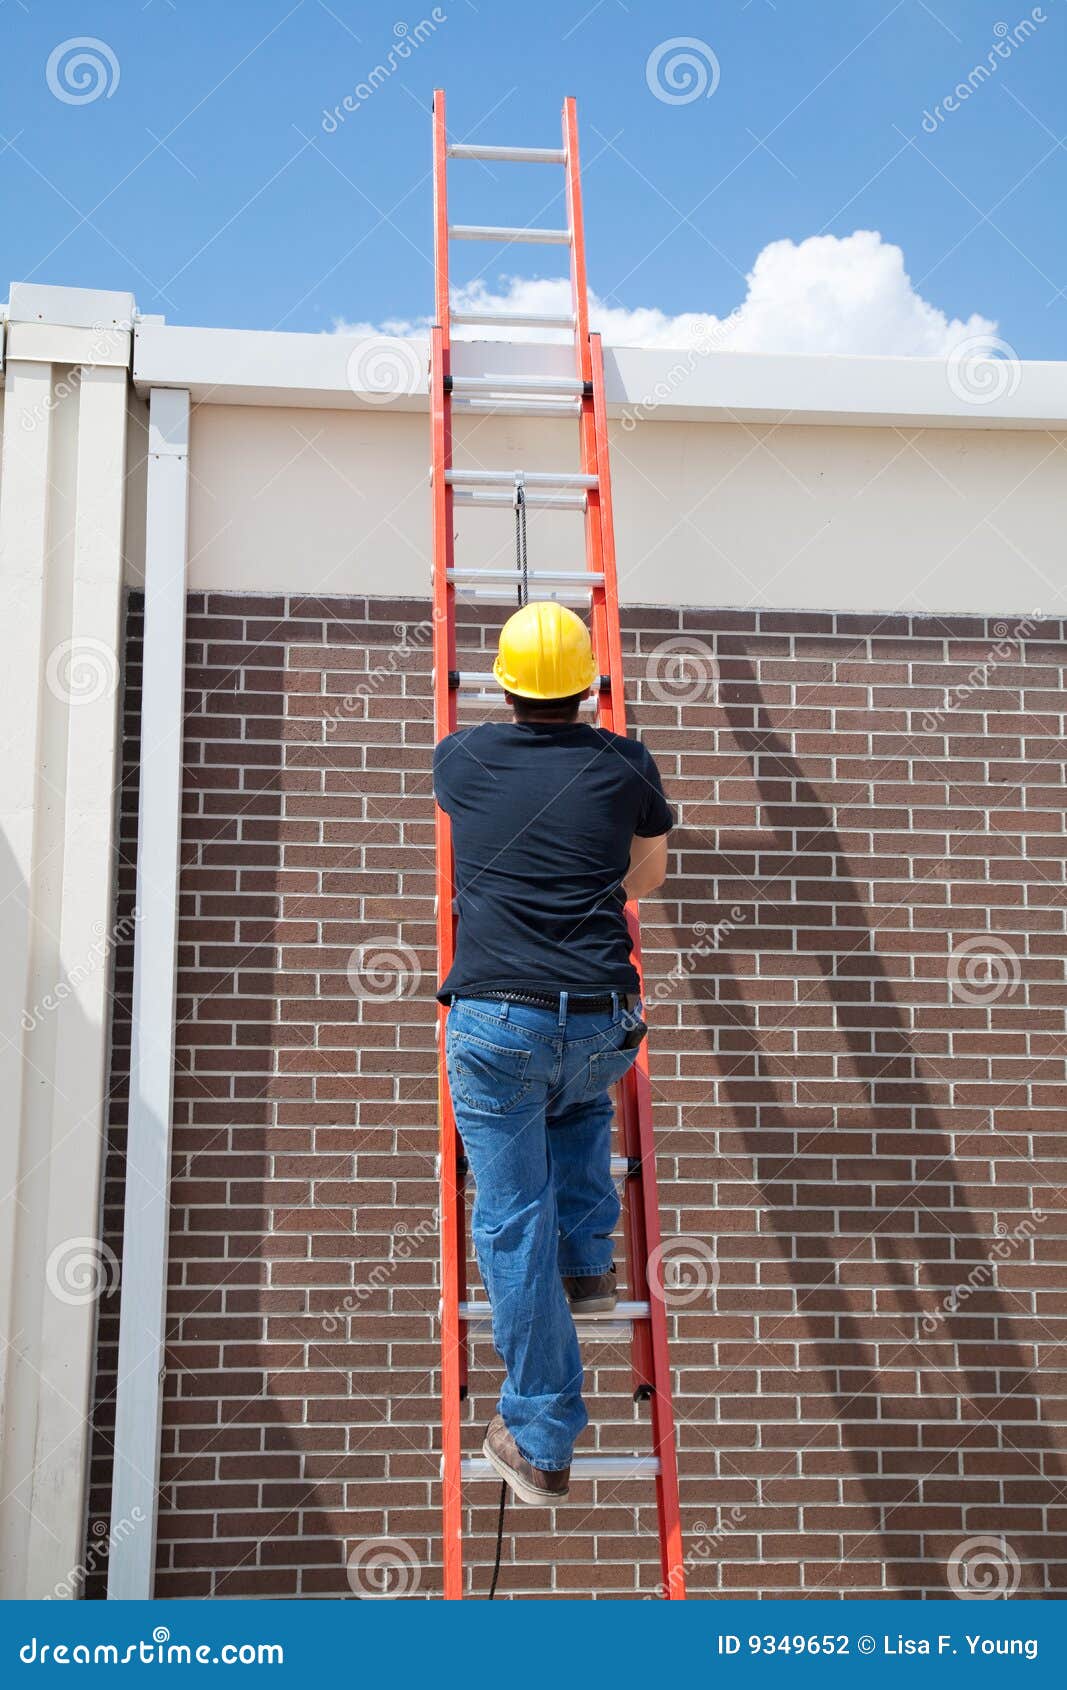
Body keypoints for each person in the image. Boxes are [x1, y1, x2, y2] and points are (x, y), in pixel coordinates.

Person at [432, 600, 673, 1505]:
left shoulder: (459, 758)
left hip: (501, 1021)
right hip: (601, 1019)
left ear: (501, 683)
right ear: (588, 685)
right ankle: (586, 1268)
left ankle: (539, 1431)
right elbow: (645, 875)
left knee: (509, 1218)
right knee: (576, 1105)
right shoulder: (624, 762)